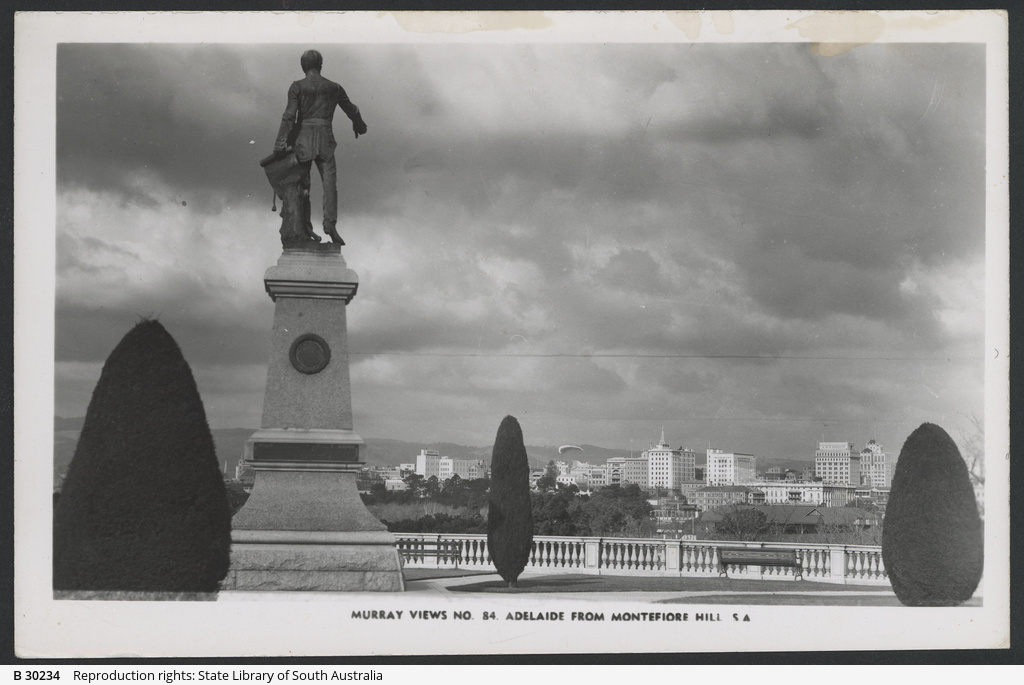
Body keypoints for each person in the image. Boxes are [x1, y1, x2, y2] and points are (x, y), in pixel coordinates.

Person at [274, 49, 367, 245]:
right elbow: (352, 109)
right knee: (329, 183)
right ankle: (330, 225)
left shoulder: (297, 86)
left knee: (303, 185)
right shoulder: (334, 87)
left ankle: (305, 228)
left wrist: (280, 141)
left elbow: (289, 115)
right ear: (320, 65)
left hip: (303, 140)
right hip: (325, 139)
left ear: (303, 66)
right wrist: (359, 124)